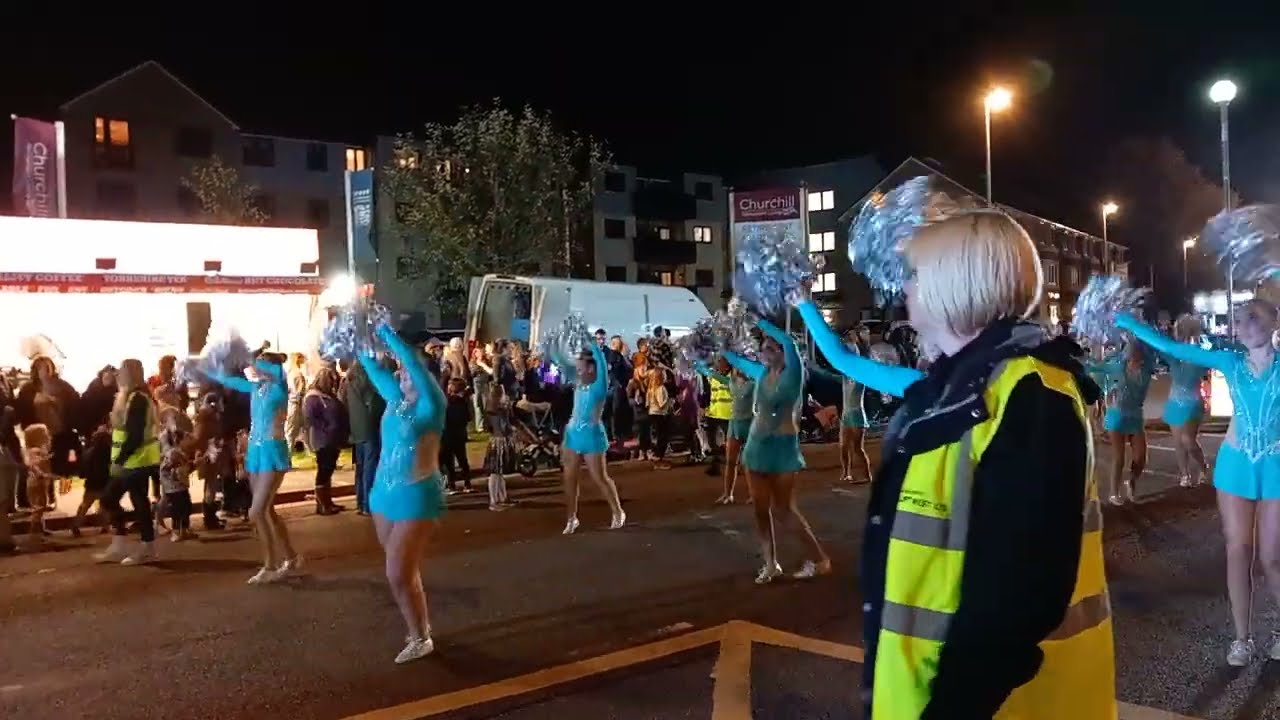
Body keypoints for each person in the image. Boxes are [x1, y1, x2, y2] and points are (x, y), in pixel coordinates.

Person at [798, 209, 1113, 718]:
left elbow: (1017, 598)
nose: (905, 292)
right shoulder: (952, 389)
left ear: (955, 286)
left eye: (915, 277)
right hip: (921, 696)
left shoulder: (1031, 396)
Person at [1119, 300, 1280, 666]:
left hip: (1275, 467)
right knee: (1237, 549)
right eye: (1240, 320)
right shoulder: (1231, 363)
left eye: (1255, 315)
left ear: (1275, 319)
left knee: (1272, 557)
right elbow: (1174, 348)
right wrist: (1130, 323)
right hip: (1236, 465)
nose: (1248, 324)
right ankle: (1242, 638)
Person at [357, 321, 448, 664]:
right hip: (383, 494)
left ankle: (421, 638)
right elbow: (370, 364)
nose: (402, 377)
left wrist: (388, 332)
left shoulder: (431, 406)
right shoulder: (395, 402)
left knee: (396, 573)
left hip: (416, 494)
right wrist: (356, 333)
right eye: (401, 375)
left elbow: (409, 363)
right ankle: (417, 627)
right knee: (404, 571)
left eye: (408, 374)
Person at [723, 321, 829, 583]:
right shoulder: (760, 373)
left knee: (784, 510)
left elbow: (790, 342)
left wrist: (757, 319)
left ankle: (820, 559)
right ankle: (770, 563)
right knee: (760, 509)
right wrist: (719, 342)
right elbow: (733, 358)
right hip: (756, 447)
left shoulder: (793, 374)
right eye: (764, 347)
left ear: (783, 353)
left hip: (782, 449)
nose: (766, 351)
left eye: (772, 348)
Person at [207, 354, 301, 584]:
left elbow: (275, 371)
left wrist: (254, 360)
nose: (252, 368)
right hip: (256, 453)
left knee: (256, 511)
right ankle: (291, 556)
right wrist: (206, 366)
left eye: (259, 365)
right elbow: (229, 380)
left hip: (272, 451)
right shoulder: (256, 387)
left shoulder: (279, 386)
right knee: (267, 510)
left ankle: (270, 565)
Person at [548, 341, 625, 534]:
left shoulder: (598, 386)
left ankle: (618, 511)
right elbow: (561, 363)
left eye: (581, 366)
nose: (578, 369)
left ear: (590, 368)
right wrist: (554, 347)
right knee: (569, 477)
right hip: (573, 433)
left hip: (591, 436)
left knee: (599, 477)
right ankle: (571, 518)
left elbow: (601, 363)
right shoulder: (578, 383)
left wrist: (592, 342)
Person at [94, 358, 162, 565]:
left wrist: (120, 460)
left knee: (125, 500)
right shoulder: (131, 397)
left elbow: (135, 434)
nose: (117, 375)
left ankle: (142, 546)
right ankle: (126, 543)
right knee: (122, 500)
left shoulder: (137, 399)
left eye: (122, 371)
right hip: (134, 458)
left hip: (137, 458)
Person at [1089, 339, 1155, 504]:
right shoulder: (1117, 367)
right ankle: (1113, 493)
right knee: (1118, 457)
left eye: (1137, 351)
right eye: (1131, 351)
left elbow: (1159, 352)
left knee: (1141, 457)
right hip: (1116, 415)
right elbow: (1097, 367)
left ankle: (1131, 482)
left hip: (1135, 417)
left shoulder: (1146, 370)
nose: (1133, 355)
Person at [1161, 314, 1212, 488]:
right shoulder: (1173, 352)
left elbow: (1209, 363)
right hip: (1174, 402)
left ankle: (1203, 466)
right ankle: (1185, 475)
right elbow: (1159, 349)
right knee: (1178, 442)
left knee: (1188, 440)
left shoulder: (1199, 352)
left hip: (1193, 402)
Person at [696, 357, 754, 504]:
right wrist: (700, 366)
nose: (739, 370)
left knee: (749, 463)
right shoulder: (732, 382)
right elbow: (714, 376)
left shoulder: (754, 384)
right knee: (730, 462)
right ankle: (728, 494)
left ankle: (754, 494)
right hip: (735, 424)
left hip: (749, 424)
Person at [345, 359, 386, 516]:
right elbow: (374, 404)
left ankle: (360, 503)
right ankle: (368, 504)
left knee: (361, 467)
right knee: (370, 466)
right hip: (369, 428)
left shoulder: (349, 380)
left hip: (356, 429)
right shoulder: (366, 379)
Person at [304, 367, 347, 515]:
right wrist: (326, 428)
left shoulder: (327, 396)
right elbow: (310, 418)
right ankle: (323, 504)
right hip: (323, 439)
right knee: (324, 470)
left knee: (328, 470)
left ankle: (327, 502)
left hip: (332, 438)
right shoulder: (313, 397)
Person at [441, 377, 473, 493]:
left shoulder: (446, 402)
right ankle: (467, 484)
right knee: (462, 459)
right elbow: (468, 418)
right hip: (459, 434)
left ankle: (451, 485)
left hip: (448, 435)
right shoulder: (463, 402)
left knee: (449, 461)